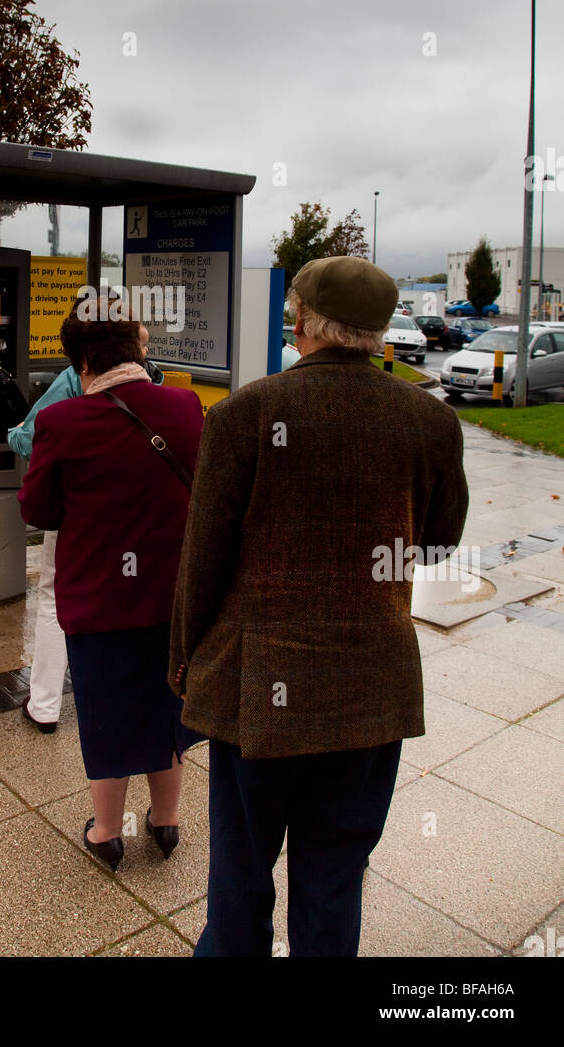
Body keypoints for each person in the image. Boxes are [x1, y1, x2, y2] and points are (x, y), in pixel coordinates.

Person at [169, 255, 470, 956]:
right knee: (334, 880)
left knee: (240, 878)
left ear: (301, 318)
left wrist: (184, 659)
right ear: (379, 329)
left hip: (258, 685)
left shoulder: (245, 414)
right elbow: (438, 544)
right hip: (373, 684)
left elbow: (202, 560)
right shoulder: (430, 421)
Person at [18, 301, 203, 870]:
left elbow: (38, 510)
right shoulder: (185, 406)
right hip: (172, 597)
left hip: (100, 600)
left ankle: (106, 833)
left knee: (106, 710)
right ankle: (166, 822)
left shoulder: (62, 422)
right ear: (137, 349)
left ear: (84, 361)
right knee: (167, 704)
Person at [9, 317, 164, 734]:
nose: (145, 353)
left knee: (54, 599)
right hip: (142, 521)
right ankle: (125, 698)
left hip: (81, 519)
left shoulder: (70, 386)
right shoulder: (169, 394)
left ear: (84, 356)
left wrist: (14, 435)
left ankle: (45, 704)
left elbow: (32, 444)